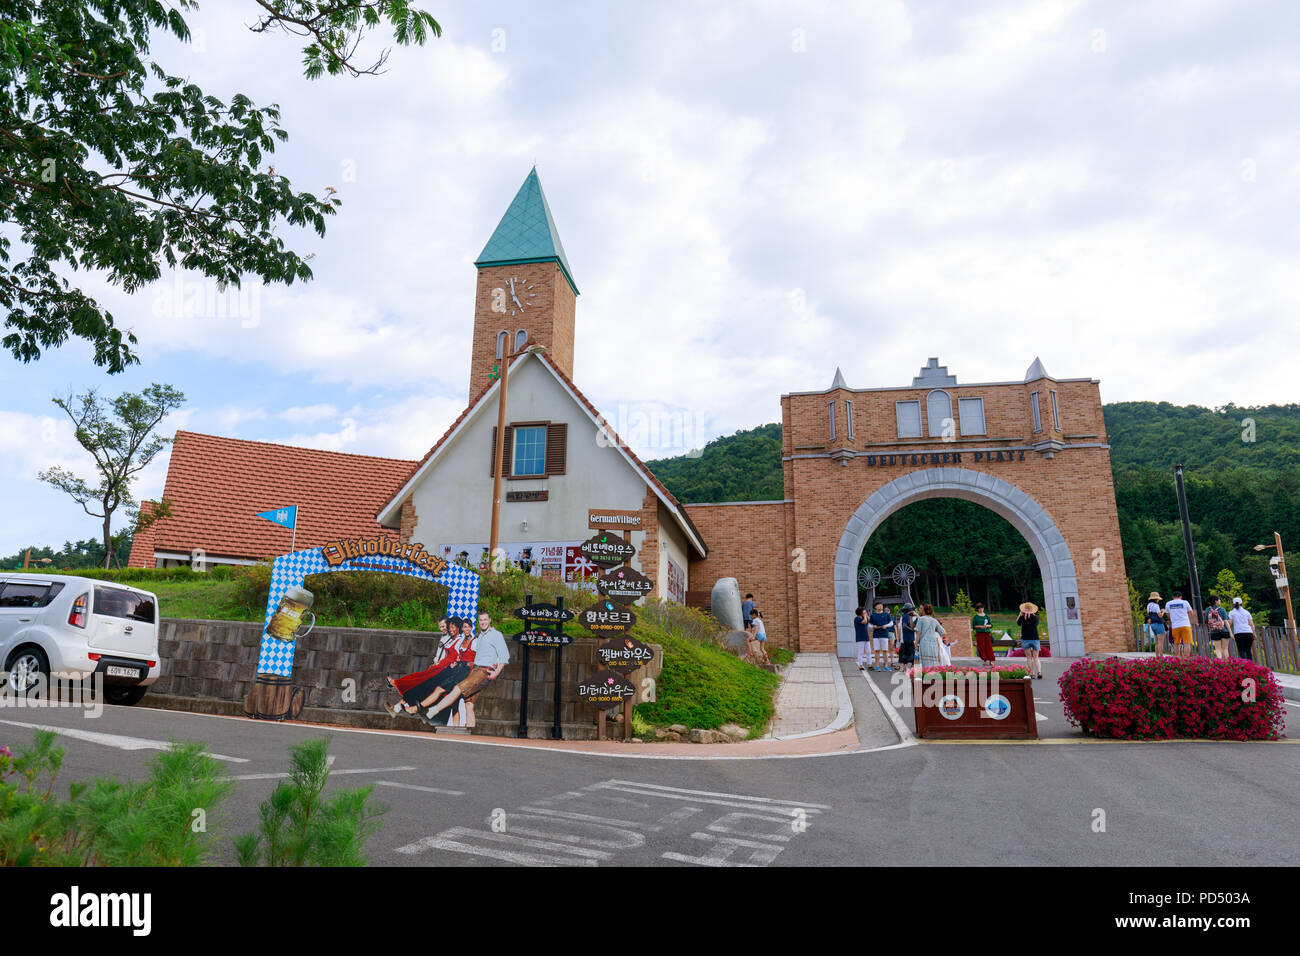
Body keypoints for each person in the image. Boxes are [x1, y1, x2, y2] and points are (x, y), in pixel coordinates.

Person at [425, 612, 510, 725]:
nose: (483, 622)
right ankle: (470, 733)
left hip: (484, 670)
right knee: (469, 704)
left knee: (457, 688)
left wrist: (496, 672)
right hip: (475, 670)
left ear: (489, 620)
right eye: (481, 620)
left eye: (485, 619)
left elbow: (504, 656)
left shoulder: (496, 634)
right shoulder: (480, 637)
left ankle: (434, 710)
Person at [1164, 590, 1195, 659]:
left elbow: (1168, 615)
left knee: (1176, 643)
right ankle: (1186, 659)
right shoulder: (1185, 602)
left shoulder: (1168, 603)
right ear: (1181, 597)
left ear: (1173, 597)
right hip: (1185, 625)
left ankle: (1177, 659)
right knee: (1187, 643)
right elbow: (1191, 613)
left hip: (1175, 626)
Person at [915, 604, 947, 669]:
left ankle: (924, 677)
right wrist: (933, 631)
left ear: (924, 610)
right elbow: (943, 632)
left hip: (924, 643)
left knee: (924, 664)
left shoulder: (920, 619)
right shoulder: (934, 620)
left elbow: (918, 633)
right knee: (933, 664)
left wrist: (915, 643)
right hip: (933, 644)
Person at [1017, 601, 1043, 679]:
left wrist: (1020, 614)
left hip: (1025, 638)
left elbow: (1017, 623)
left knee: (1029, 657)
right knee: (1036, 657)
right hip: (1035, 638)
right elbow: (1035, 624)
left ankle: (1032, 673)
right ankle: (1039, 672)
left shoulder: (1022, 618)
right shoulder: (1035, 618)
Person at [868, 601, 895, 671]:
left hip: (884, 635)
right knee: (876, 651)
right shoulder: (873, 615)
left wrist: (885, 626)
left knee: (885, 651)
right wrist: (873, 626)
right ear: (875, 607)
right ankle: (877, 666)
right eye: (878, 605)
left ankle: (886, 666)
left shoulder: (886, 614)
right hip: (876, 635)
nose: (880, 606)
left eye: (881, 605)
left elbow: (891, 623)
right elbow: (869, 625)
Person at [1205, 595, 1231, 660]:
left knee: (1218, 649)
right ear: (1216, 601)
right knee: (1225, 649)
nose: (1220, 601)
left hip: (1214, 631)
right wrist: (1230, 632)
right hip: (1224, 630)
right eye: (1219, 600)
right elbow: (1225, 621)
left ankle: (1220, 663)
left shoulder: (1207, 610)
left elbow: (1206, 620)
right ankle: (1227, 664)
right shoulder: (1222, 609)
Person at [1146, 592, 1166, 656]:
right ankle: (1161, 657)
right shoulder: (1156, 605)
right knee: (1161, 642)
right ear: (1156, 599)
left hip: (1152, 624)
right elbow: (1160, 616)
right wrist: (1163, 612)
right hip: (1158, 624)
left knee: (1157, 642)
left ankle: (1157, 657)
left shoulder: (1148, 605)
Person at [854, 606, 869, 670]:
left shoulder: (863, 617)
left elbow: (869, 620)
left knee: (868, 651)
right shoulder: (857, 618)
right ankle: (860, 665)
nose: (865, 612)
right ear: (860, 612)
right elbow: (864, 622)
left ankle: (870, 664)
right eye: (863, 611)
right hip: (860, 638)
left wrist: (866, 616)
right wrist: (865, 616)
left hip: (866, 637)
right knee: (861, 652)